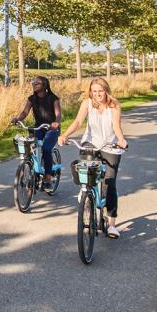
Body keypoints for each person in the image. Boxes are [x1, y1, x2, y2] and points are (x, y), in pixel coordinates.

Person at [60, 77, 128, 238]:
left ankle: (112, 225)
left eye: (101, 91)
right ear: (91, 92)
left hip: (110, 146)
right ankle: (86, 197)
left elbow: (116, 127)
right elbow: (77, 122)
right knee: (86, 176)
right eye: (94, 91)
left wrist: (121, 140)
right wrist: (65, 135)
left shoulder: (114, 105)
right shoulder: (87, 104)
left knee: (109, 184)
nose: (97, 94)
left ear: (106, 91)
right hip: (90, 143)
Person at [10, 75, 62, 189]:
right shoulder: (31, 99)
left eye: (37, 83)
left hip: (51, 128)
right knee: (30, 147)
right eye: (33, 82)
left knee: (46, 149)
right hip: (38, 127)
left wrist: (56, 123)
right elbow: (25, 112)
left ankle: (48, 177)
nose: (34, 84)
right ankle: (28, 170)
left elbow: (58, 114)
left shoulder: (53, 98)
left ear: (44, 85)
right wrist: (18, 119)